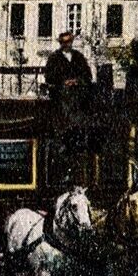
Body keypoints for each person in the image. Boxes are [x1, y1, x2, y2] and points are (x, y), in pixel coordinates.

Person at [45, 32, 94, 182]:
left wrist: (77, 81)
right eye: (64, 43)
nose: (67, 45)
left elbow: (88, 76)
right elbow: (49, 78)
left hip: (78, 100)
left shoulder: (79, 57)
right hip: (62, 100)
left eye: (69, 42)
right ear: (60, 43)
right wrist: (63, 83)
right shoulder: (54, 59)